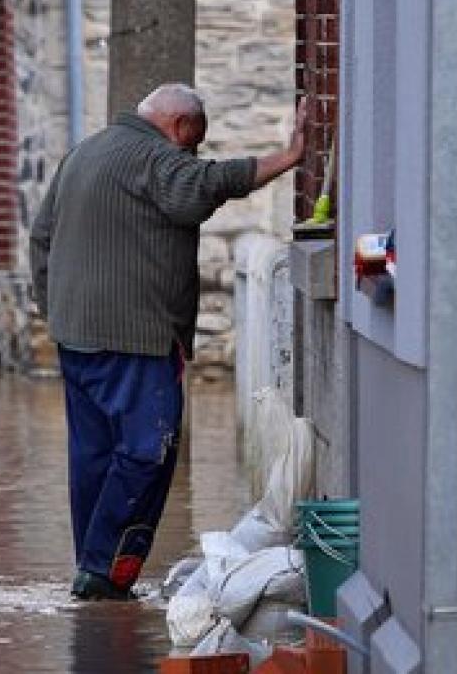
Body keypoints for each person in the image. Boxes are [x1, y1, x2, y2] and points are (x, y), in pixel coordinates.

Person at [29, 83, 308, 600]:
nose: (192, 154)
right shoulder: (154, 157)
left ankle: (91, 572)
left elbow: (41, 236)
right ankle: (102, 573)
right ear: (180, 126)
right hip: (135, 339)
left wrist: (55, 309)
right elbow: (204, 184)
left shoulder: (82, 154)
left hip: (77, 339)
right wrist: (289, 157)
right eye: (193, 143)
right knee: (146, 452)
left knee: (93, 456)